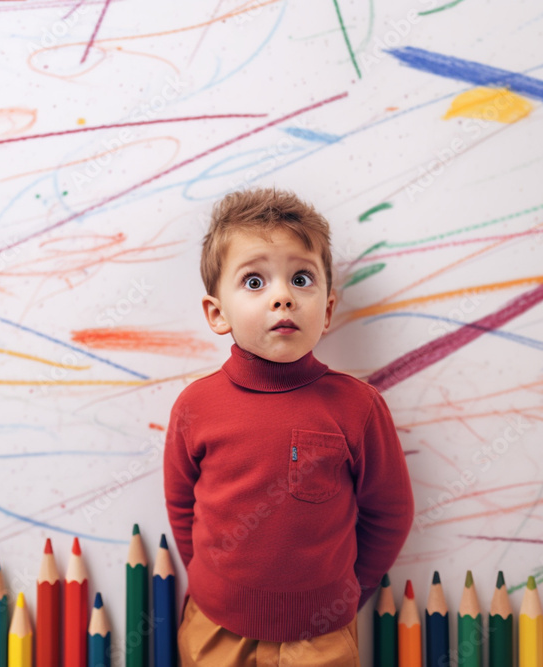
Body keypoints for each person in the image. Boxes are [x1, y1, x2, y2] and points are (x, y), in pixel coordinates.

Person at [163, 187, 415, 666]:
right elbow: (182, 503)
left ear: (328, 309)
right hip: (214, 628)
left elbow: (390, 511)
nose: (283, 297)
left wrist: (347, 594)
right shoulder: (195, 406)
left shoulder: (358, 407)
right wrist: (207, 578)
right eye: (255, 282)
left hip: (321, 636)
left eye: (301, 278)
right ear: (218, 313)